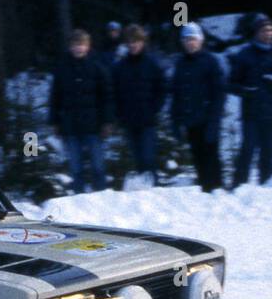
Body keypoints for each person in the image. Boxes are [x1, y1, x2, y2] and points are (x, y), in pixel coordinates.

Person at [227, 14, 272, 188]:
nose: (268, 34)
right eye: (264, 30)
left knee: (268, 151)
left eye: (271, 30)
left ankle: (267, 186)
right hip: (251, 111)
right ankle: (238, 186)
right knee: (248, 149)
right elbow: (230, 83)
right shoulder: (245, 54)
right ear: (256, 33)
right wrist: (245, 91)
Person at [48, 29, 113, 192]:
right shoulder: (62, 69)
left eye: (82, 44)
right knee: (76, 168)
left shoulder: (97, 67)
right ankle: (79, 198)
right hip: (70, 125)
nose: (79, 48)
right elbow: (55, 97)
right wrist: (54, 122)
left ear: (88, 46)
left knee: (98, 167)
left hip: (94, 125)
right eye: (76, 44)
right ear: (70, 46)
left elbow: (107, 97)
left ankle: (102, 196)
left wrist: (107, 121)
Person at [170, 23, 225, 192]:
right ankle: (205, 192)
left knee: (211, 158)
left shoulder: (211, 62)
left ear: (200, 41)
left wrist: (214, 121)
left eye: (193, 39)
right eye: (186, 39)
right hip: (190, 120)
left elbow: (219, 94)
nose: (190, 43)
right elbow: (177, 94)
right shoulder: (180, 64)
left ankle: (217, 191)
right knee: (198, 158)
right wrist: (175, 121)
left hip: (208, 120)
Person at [112, 25, 166, 190]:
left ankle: (154, 189)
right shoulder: (120, 66)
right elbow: (114, 93)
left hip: (147, 119)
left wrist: (154, 108)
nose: (133, 45)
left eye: (136, 41)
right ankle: (144, 193)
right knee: (138, 159)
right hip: (129, 120)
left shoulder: (151, 63)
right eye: (130, 41)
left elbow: (162, 89)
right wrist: (119, 115)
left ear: (143, 42)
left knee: (149, 158)